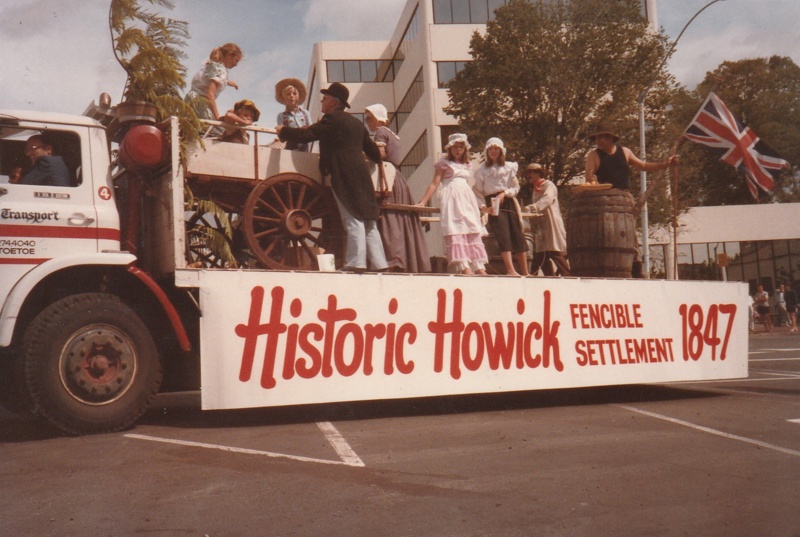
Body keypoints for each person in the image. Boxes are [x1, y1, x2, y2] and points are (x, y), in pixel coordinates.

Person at [276, 82, 388, 273]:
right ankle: (380, 263)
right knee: (369, 220)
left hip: (343, 172)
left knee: (352, 217)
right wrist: (378, 157)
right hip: (362, 174)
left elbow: (307, 134)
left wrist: (283, 131)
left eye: (325, 98)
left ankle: (357, 262)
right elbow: (373, 152)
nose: (322, 101)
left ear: (334, 102)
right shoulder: (356, 123)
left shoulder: (331, 119)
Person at [364, 103, 431, 273]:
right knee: (399, 217)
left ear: (378, 118)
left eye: (369, 118)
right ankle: (403, 258)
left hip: (386, 179)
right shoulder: (393, 134)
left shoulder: (380, 132)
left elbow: (380, 154)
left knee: (389, 217)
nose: (367, 121)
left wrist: (363, 154)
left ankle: (393, 259)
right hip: (396, 178)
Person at [415, 133, 488, 275]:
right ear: (450, 148)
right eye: (455, 147)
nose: (458, 149)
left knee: (471, 226)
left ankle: (478, 266)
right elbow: (435, 183)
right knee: (456, 227)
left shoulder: (466, 164)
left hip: (466, 197)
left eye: (461, 147)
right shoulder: (444, 163)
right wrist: (423, 202)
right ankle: (464, 266)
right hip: (452, 195)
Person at [473, 137, 529, 276]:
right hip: (493, 203)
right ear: (487, 151)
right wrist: (484, 207)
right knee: (503, 235)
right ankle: (510, 270)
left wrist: (505, 193)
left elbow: (516, 187)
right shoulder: (482, 170)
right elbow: (477, 192)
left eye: (496, 149)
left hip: (508, 202)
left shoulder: (509, 167)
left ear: (501, 151)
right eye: (490, 149)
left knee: (517, 234)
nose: (493, 151)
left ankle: (525, 272)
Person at [585, 124, 677, 189]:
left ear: (610, 137)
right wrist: (593, 181)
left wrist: (665, 164)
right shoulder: (593, 155)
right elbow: (589, 178)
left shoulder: (625, 152)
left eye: (600, 138)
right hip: (603, 200)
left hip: (623, 199)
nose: (597, 141)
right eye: (595, 139)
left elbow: (643, 166)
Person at [525, 163, 571, 277]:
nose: (528, 175)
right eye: (527, 173)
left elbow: (547, 199)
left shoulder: (548, 185)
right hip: (541, 225)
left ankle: (567, 275)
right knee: (541, 254)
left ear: (538, 173)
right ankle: (550, 277)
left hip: (550, 222)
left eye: (530, 173)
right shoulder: (535, 189)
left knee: (552, 250)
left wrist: (532, 207)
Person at [185, 43, 242, 126]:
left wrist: (227, 82)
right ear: (229, 55)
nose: (236, 64)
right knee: (214, 128)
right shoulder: (220, 70)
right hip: (200, 102)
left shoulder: (214, 63)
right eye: (236, 60)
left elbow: (209, 77)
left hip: (191, 98)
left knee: (193, 127)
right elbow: (210, 94)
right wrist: (217, 117)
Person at [275, 78, 312, 152]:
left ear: (298, 96)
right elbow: (281, 138)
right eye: (288, 94)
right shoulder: (281, 116)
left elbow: (312, 130)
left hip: (304, 148)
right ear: (284, 98)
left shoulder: (305, 113)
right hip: (290, 148)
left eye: (294, 93)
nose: (292, 96)